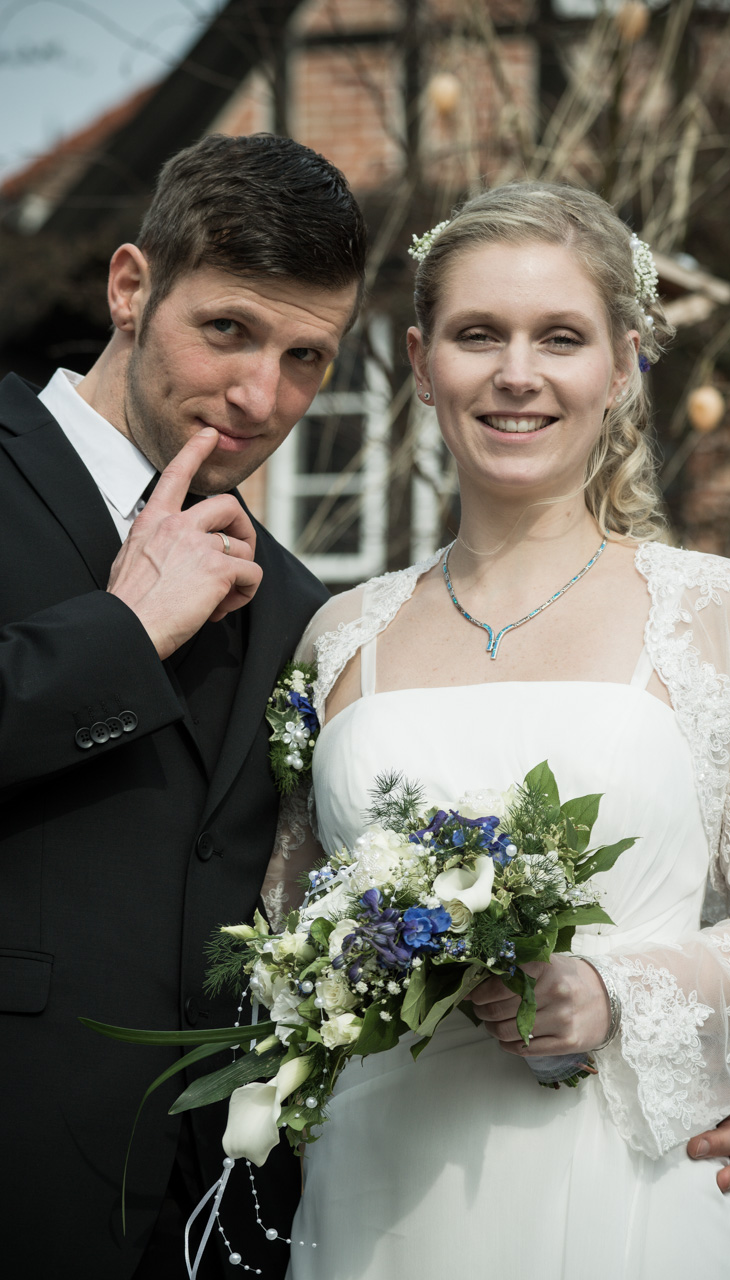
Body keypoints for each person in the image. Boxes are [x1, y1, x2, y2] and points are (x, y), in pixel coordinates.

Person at [267, 182, 730, 1279]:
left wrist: (621, 990)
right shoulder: (340, 635)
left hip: (625, 1175)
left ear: (625, 359)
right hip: (374, 1187)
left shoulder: (723, 616)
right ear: (418, 356)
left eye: (561, 336)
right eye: (477, 333)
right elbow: (285, 936)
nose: (516, 372)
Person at [0, 132, 366, 1278]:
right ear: (129, 286)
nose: (264, 397)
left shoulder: (299, 598)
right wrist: (119, 634)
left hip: (218, 1220)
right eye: (228, 332)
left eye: (309, 355)